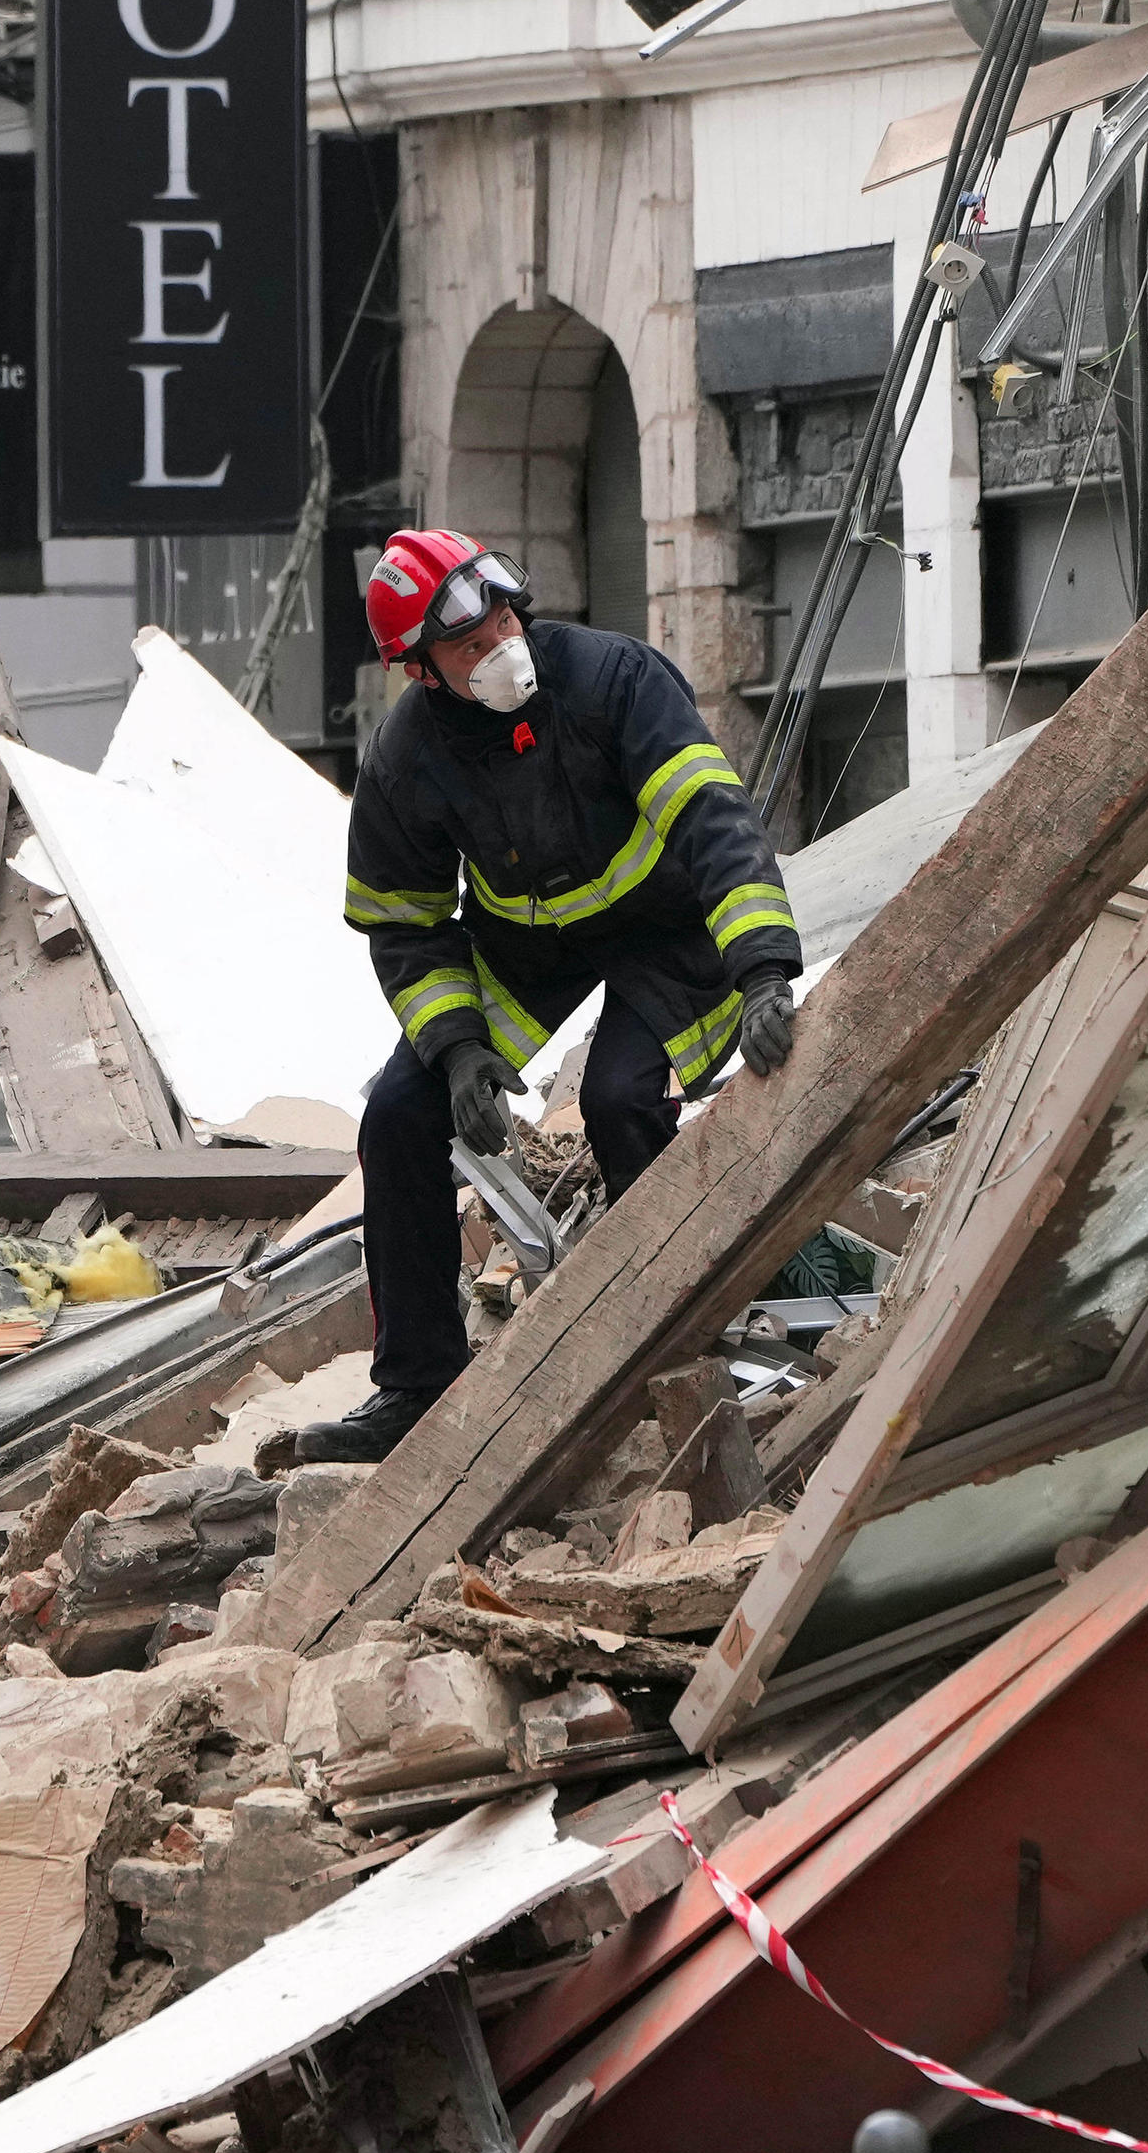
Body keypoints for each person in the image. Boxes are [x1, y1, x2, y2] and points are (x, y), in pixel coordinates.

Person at [296, 528, 804, 1469]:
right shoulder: (404, 760)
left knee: (618, 1098)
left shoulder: (615, 677)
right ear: (419, 672)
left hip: (671, 925)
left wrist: (764, 969)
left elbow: (713, 821)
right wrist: (455, 1051)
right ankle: (415, 1388)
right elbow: (403, 920)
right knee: (397, 1114)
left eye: (499, 620)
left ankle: (679, 1350)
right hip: (530, 947)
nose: (498, 648)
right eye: (468, 644)